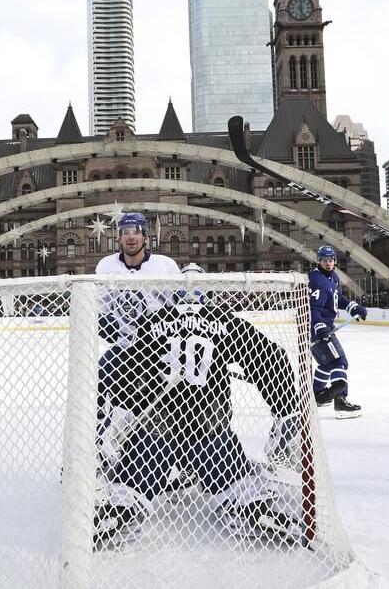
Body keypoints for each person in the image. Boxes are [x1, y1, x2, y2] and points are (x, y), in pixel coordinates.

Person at [93, 281, 304, 546]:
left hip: (159, 426)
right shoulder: (225, 320)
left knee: (134, 481)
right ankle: (251, 508)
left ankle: (120, 512)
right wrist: (285, 411)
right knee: (237, 482)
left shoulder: (154, 320)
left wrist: (129, 412)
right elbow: (271, 356)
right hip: (209, 425)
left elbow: (124, 366)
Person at [94, 212, 181, 468]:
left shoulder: (165, 265)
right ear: (119, 237)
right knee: (98, 381)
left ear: (145, 235)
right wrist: (105, 324)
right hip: (123, 348)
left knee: (171, 398)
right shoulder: (106, 266)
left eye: (136, 231)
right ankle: (96, 445)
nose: (131, 236)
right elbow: (101, 306)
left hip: (160, 349)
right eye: (125, 232)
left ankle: (179, 457)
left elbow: (179, 304)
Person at [307, 246, 368, 418]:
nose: (328, 262)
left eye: (331, 259)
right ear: (318, 261)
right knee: (340, 362)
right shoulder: (316, 279)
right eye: (324, 259)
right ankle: (341, 402)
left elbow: (337, 299)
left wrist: (353, 306)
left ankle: (317, 396)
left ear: (335, 260)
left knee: (326, 364)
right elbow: (312, 307)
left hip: (324, 327)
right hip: (317, 328)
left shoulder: (333, 277)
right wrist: (319, 327)